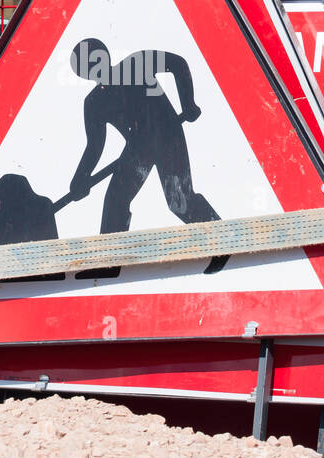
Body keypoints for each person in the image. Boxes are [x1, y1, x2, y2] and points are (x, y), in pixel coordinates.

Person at [68, 37, 228, 278]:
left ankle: (222, 242)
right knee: (115, 200)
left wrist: (188, 103)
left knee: (179, 200)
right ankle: (107, 262)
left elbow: (177, 64)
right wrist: (80, 178)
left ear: (105, 55)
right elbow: (95, 146)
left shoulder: (136, 63)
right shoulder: (93, 102)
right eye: (87, 67)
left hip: (167, 135)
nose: (94, 69)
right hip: (137, 150)